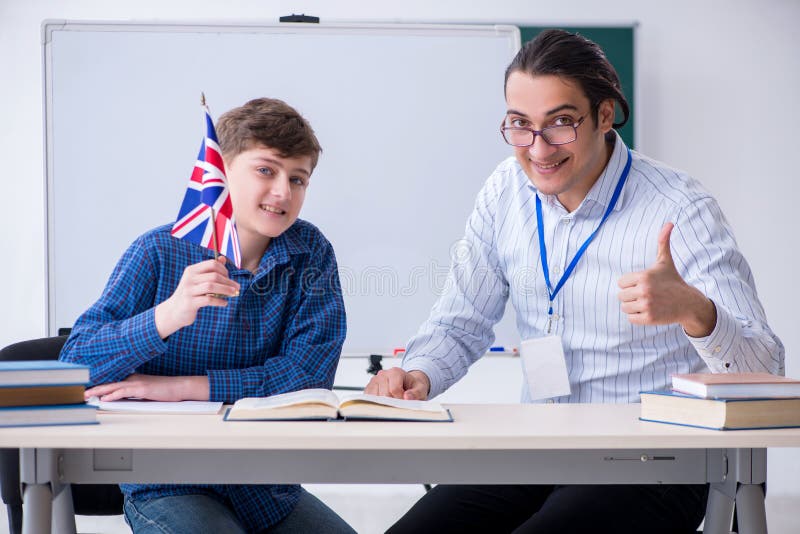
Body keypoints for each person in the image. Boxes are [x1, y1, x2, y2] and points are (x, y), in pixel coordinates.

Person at [365, 29, 784, 534]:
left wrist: (697, 312)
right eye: (520, 125)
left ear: (604, 116)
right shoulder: (505, 191)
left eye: (560, 123)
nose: (537, 149)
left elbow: (768, 366)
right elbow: (462, 320)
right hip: (538, 444)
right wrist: (420, 374)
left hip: (654, 461)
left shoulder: (680, 208)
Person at [60, 98, 355, 534]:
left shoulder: (310, 252)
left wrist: (181, 388)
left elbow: (308, 379)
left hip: (266, 490)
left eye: (298, 179)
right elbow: (72, 367)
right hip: (169, 483)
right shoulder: (158, 251)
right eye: (266, 170)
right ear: (222, 168)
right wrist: (168, 315)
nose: (283, 193)